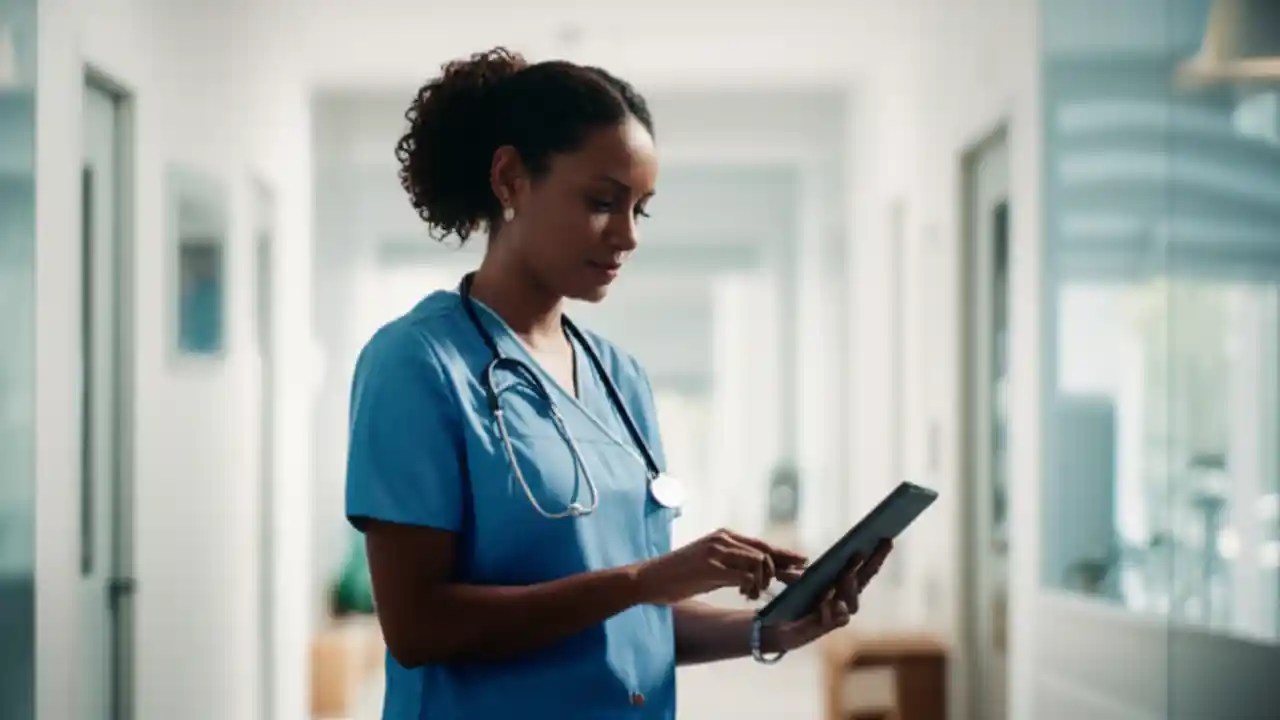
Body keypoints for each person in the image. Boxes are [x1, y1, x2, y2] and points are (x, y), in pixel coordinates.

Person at [345, 46, 893, 719]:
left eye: (642, 209)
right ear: (511, 178)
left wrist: (768, 628)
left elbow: (635, 620)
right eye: (603, 202)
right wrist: (645, 579)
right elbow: (417, 628)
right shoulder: (417, 364)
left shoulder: (620, 378)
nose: (629, 237)